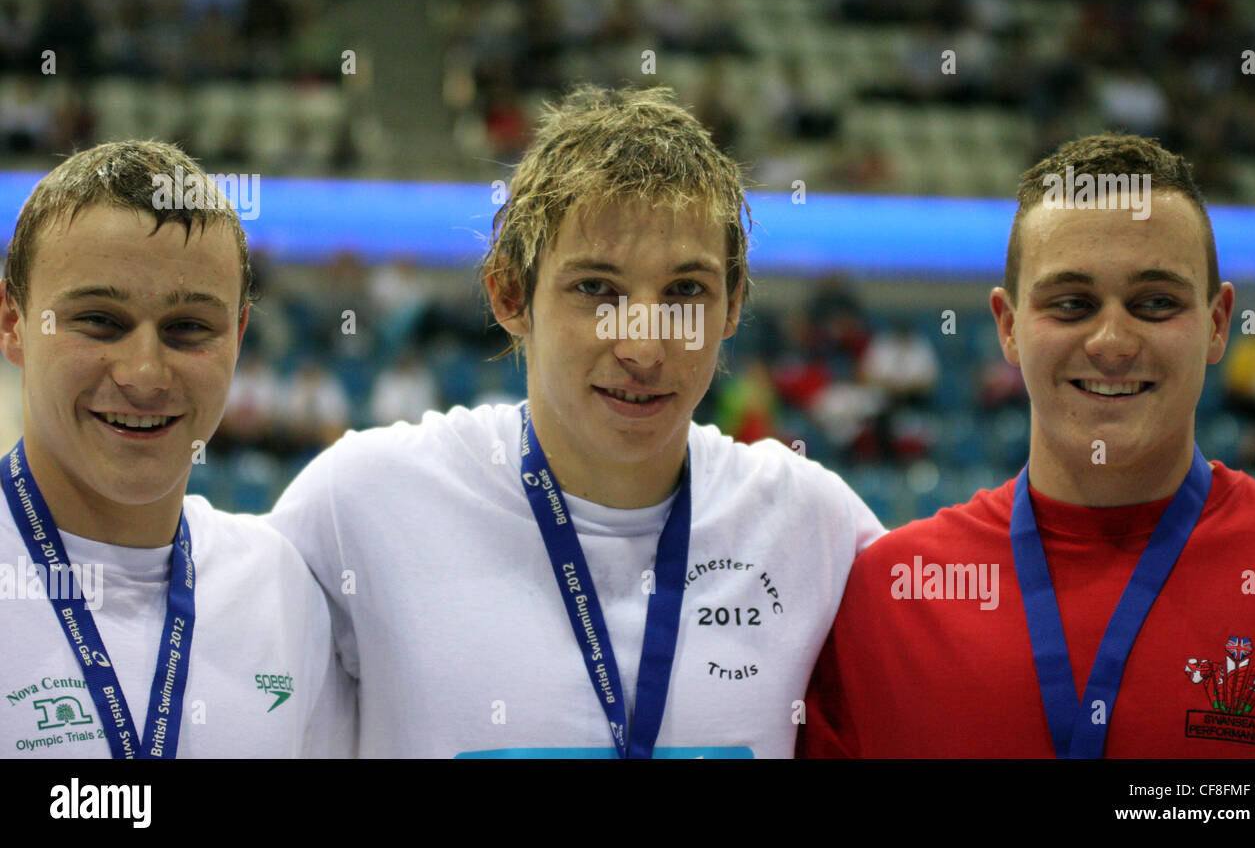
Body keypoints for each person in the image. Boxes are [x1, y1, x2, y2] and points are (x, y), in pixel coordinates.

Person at [268, 85, 886, 758]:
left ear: (733, 306)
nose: (644, 347)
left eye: (686, 291)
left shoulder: (816, 528)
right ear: (510, 294)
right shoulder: (358, 505)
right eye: (596, 289)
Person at [800, 133, 1255, 758]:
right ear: (1008, 328)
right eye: (1071, 304)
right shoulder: (892, 593)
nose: (1112, 342)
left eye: (1155, 302)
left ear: (1218, 323)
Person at [0, 141, 355, 758]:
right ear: (12, 323)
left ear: (238, 336)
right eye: (99, 321)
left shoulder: (280, 587)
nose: (144, 374)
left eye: (189, 328)